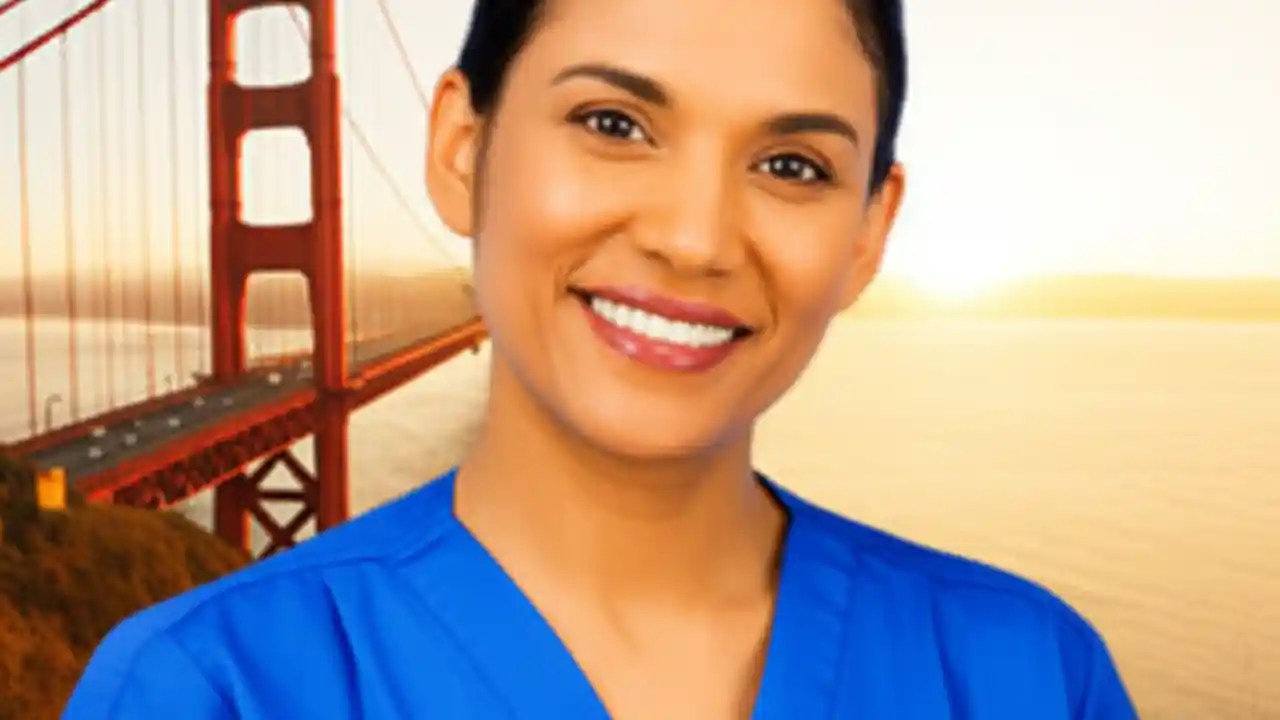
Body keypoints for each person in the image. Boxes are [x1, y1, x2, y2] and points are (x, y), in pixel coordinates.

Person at [64, 0, 1139, 717]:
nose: (694, 238)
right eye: (613, 123)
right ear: (460, 150)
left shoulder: (1033, 676)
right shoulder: (203, 688)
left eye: (790, 163)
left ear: (866, 231)